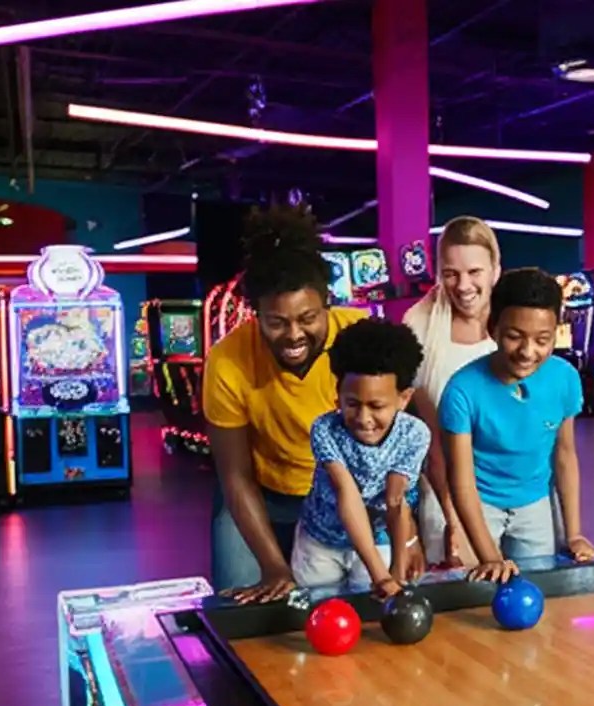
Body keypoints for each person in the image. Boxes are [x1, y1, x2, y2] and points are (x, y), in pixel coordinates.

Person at [203, 204, 369, 604]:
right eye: (276, 322)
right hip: (265, 494)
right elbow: (236, 476)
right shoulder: (228, 360)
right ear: (255, 314)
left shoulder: (362, 339)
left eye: (308, 318)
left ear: (327, 304)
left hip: (348, 494)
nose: (294, 335)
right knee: (242, 608)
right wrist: (274, 567)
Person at [439, 267, 594, 583]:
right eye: (514, 337)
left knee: (538, 588)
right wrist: (490, 557)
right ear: (492, 328)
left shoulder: (565, 378)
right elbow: (460, 479)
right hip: (479, 503)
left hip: (534, 504)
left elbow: (565, 456)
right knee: (477, 592)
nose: (528, 352)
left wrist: (574, 534)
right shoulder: (461, 390)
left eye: (542, 339)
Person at [292, 319, 431, 600]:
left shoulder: (415, 434)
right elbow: (348, 494)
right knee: (319, 614)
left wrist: (396, 570)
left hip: (380, 540)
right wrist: (381, 575)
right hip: (320, 542)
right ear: (338, 397)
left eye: (377, 406)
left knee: (375, 612)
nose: (364, 419)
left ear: (403, 398)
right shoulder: (325, 429)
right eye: (352, 404)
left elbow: (395, 501)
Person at [402, 217, 501, 568]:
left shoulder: (516, 323)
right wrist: (453, 519)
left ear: (495, 270)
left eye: (474, 271)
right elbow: (433, 443)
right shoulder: (419, 326)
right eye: (450, 273)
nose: (463, 285)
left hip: (519, 491)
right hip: (447, 491)